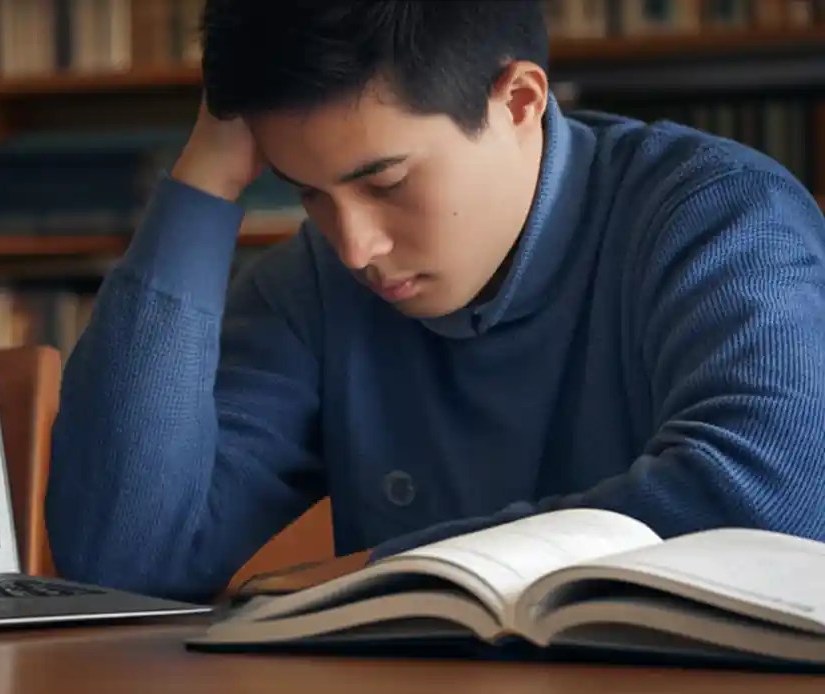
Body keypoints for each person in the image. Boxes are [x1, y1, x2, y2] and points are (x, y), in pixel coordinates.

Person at [44, 0, 825, 602]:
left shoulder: (718, 216)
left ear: (518, 101)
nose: (356, 248)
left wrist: (385, 571)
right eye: (308, 192)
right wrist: (204, 178)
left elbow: (776, 499)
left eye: (386, 182)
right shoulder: (313, 286)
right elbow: (123, 563)